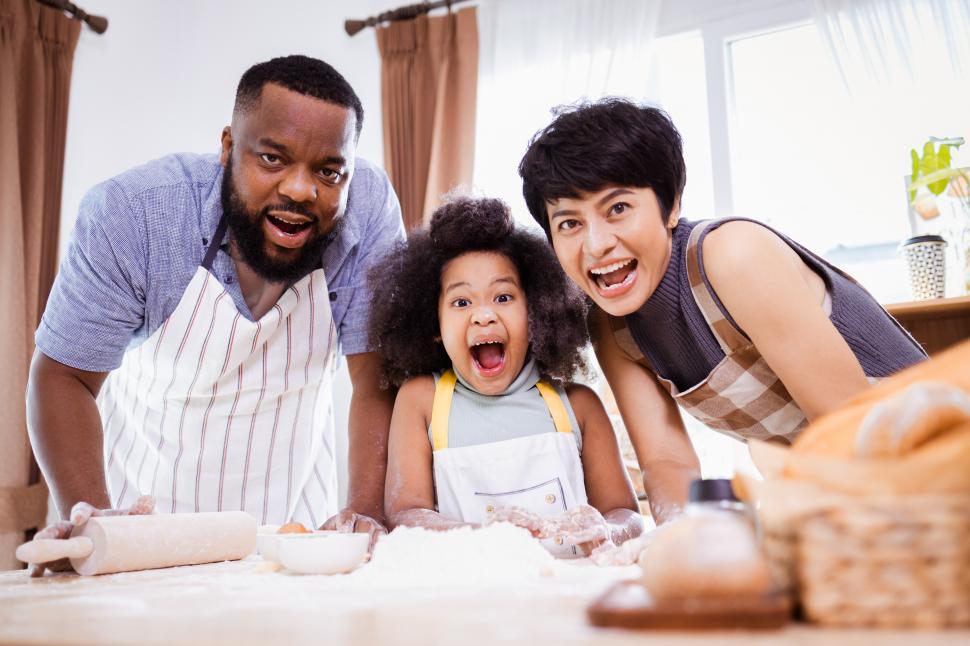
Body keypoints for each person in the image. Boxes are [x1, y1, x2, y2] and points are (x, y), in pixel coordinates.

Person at [25, 55, 404, 575]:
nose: (300, 189)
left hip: (293, 535)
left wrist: (365, 511)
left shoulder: (368, 211)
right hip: (138, 522)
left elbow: (376, 379)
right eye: (272, 158)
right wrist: (94, 519)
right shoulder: (135, 215)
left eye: (328, 171)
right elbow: (64, 376)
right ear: (227, 148)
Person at [518, 98, 927, 524]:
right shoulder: (609, 325)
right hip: (843, 487)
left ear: (671, 203)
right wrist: (685, 540)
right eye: (569, 223)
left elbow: (847, 425)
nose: (596, 245)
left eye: (617, 209)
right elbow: (666, 461)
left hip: (925, 464)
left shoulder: (733, 255)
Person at [373, 196, 643, 557]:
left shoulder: (578, 406)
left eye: (503, 297)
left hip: (570, 597)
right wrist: (489, 536)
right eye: (461, 302)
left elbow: (626, 514)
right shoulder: (422, 400)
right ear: (433, 324)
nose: (483, 315)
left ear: (537, 311)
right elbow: (405, 514)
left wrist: (608, 529)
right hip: (475, 601)